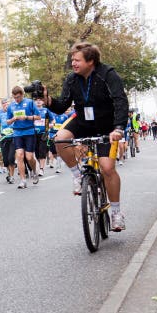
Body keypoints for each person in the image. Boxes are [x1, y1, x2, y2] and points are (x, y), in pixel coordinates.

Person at [44, 42, 129, 232]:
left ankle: (116, 213)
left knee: (107, 168)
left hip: (107, 126)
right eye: (72, 60)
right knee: (60, 138)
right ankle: (78, 175)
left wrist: (118, 128)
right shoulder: (72, 79)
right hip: (83, 122)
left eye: (77, 60)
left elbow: (120, 102)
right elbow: (62, 105)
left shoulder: (108, 74)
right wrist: (47, 99)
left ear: (90, 61)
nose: (73, 63)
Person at [6, 86, 39, 189]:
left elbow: (38, 116)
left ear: (22, 95)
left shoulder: (30, 102)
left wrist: (27, 117)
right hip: (17, 133)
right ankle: (23, 180)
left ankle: (34, 171)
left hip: (29, 131)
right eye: (15, 97)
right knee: (19, 155)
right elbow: (7, 122)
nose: (17, 99)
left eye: (18, 97)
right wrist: (13, 119)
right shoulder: (11, 106)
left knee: (29, 157)